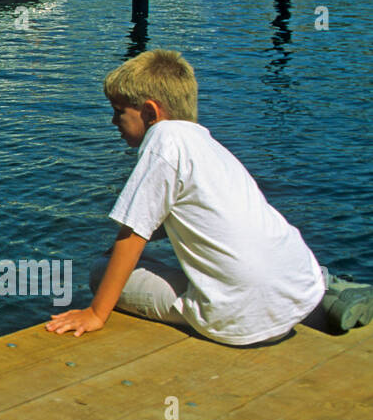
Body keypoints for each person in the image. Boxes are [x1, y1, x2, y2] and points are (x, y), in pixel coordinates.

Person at [46, 49, 373, 345]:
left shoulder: (163, 142)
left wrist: (95, 314)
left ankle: (256, 305)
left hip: (238, 319)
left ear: (150, 112)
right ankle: (328, 295)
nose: (113, 122)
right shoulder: (207, 146)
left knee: (102, 271)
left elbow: (133, 235)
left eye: (119, 112)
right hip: (300, 285)